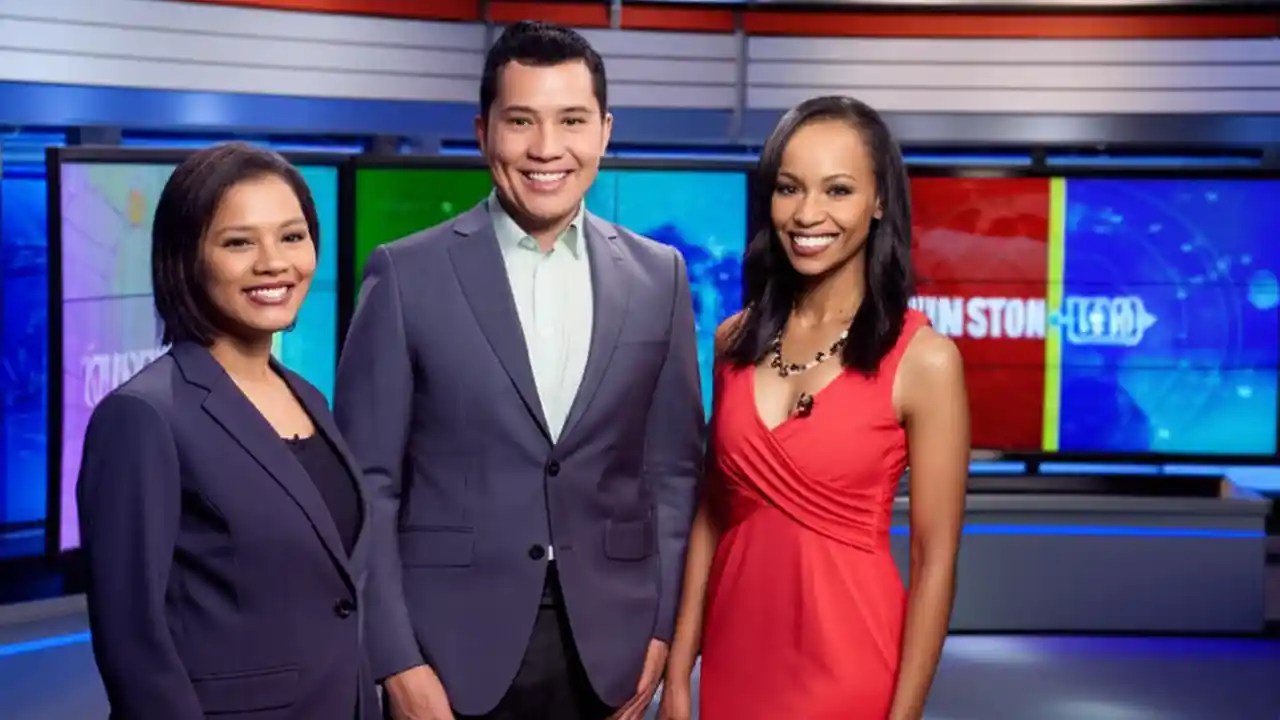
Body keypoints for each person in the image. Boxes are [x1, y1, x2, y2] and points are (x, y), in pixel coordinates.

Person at [334, 20, 704, 720]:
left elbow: (674, 473)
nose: (545, 149)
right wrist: (393, 659)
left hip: (612, 648)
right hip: (447, 656)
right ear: (483, 133)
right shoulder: (406, 274)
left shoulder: (661, 278)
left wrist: (662, 630)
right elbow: (365, 486)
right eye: (521, 121)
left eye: (571, 121)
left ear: (604, 132)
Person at [659, 96, 970, 720]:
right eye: (789, 188)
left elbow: (935, 561)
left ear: (879, 202)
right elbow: (710, 521)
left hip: (850, 665)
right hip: (736, 659)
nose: (808, 214)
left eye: (838, 190)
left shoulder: (926, 360)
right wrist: (677, 676)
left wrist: (904, 714)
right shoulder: (732, 341)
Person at [77, 142, 379, 720]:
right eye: (239, 242)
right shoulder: (143, 416)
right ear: (187, 257)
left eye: (292, 236)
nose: (274, 262)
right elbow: (133, 645)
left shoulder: (307, 395)